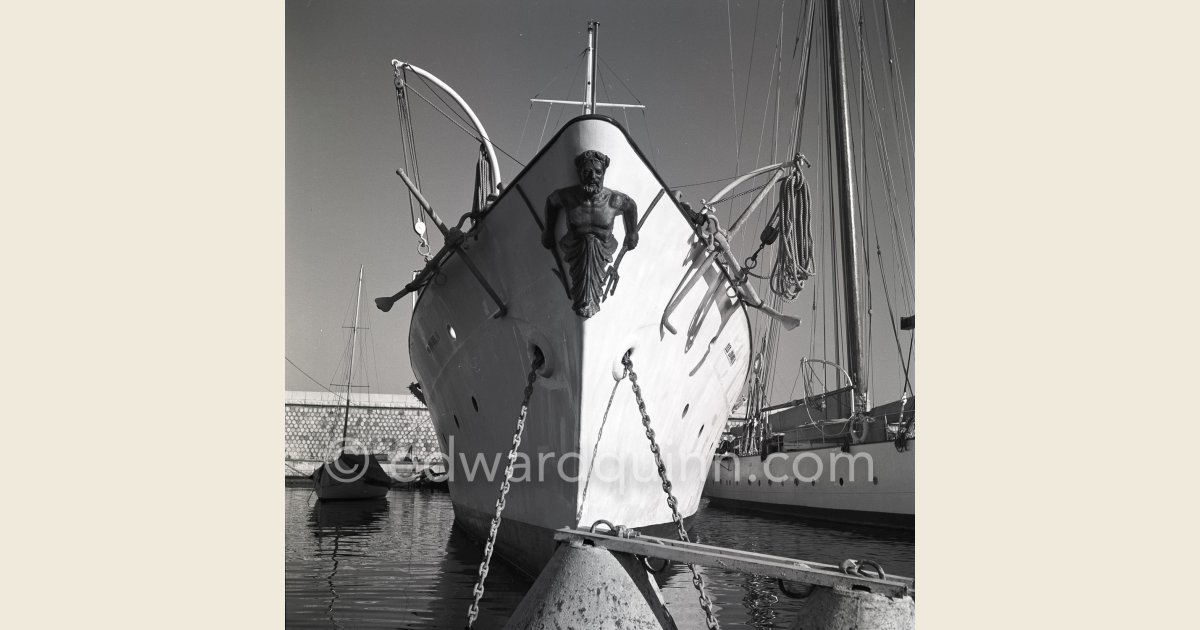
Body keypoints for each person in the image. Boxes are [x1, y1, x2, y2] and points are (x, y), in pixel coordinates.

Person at [542, 150, 638, 317]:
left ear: (604, 173)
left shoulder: (614, 199)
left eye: (598, 172)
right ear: (580, 173)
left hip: (603, 250)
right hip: (575, 248)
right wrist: (548, 230)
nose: (593, 176)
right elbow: (551, 201)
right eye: (587, 172)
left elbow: (631, 207)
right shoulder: (568, 196)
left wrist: (632, 232)